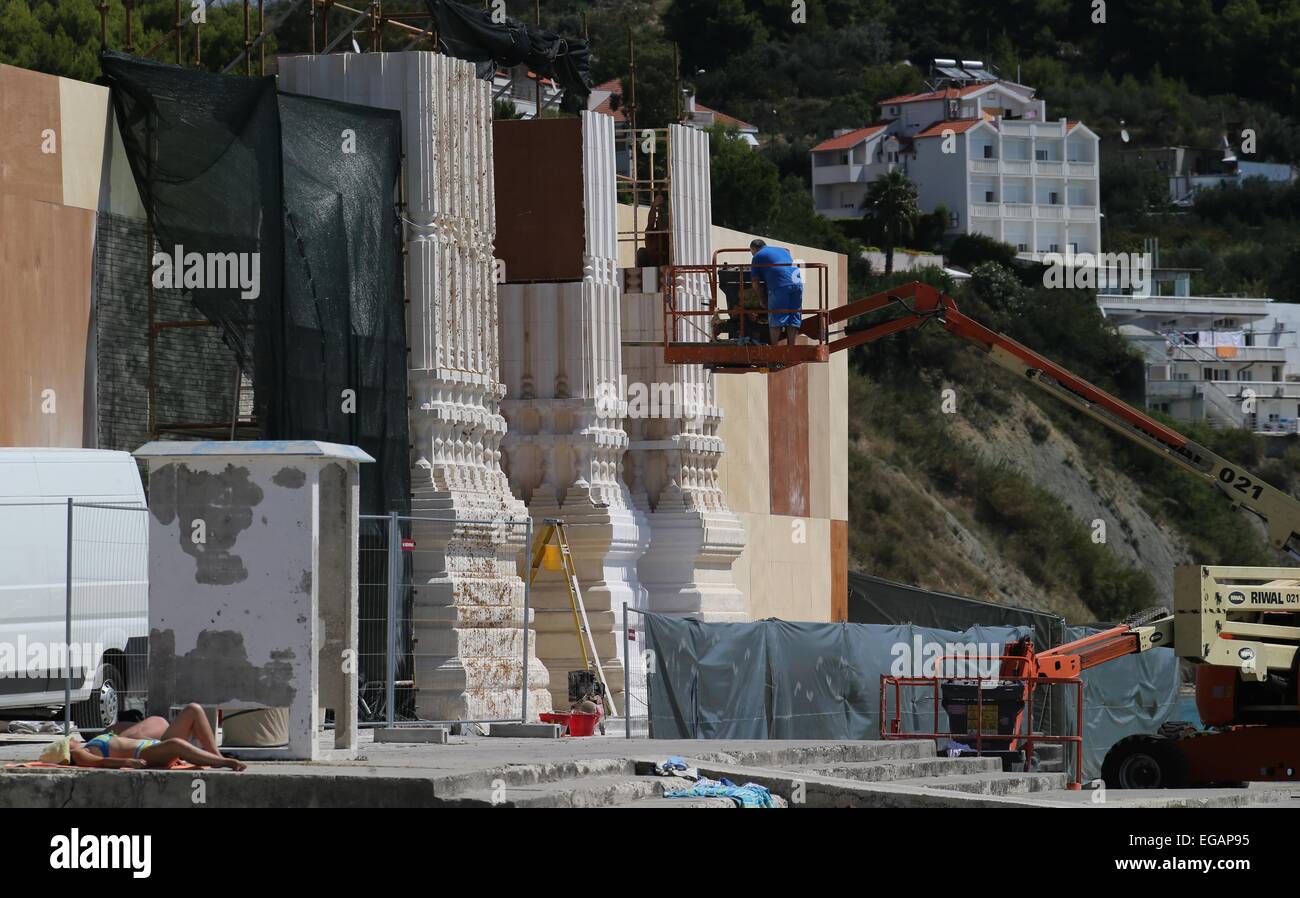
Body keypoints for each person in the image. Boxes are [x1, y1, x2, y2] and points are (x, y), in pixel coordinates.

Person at [39, 703, 246, 771]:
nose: (72, 739)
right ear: (67, 750)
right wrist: (128, 762)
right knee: (176, 744)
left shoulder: (89, 744)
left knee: (193, 709)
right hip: (144, 753)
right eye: (69, 741)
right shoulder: (81, 753)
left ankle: (215, 755)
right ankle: (224, 762)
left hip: (152, 745)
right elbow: (101, 762)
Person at [749, 239, 803, 347]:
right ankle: (791, 348)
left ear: (754, 249)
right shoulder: (783, 250)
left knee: (776, 318)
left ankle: (774, 349)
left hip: (780, 284)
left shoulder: (757, 256)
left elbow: (755, 283)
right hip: (797, 283)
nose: (752, 254)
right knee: (793, 317)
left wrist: (762, 300)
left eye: (751, 252)